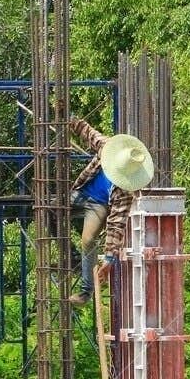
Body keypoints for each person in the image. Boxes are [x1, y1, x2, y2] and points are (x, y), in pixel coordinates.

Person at [67, 117, 155, 307]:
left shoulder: (125, 191)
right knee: (50, 210)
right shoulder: (108, 147)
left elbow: (116, 224)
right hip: (80, 192)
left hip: (98, 205)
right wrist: (67, 118)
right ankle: (69, 254)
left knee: (88, 240)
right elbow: (87, 131)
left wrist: (109, 258)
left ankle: (85, 292)